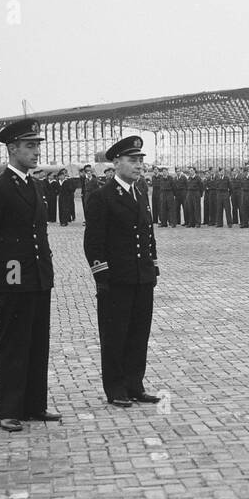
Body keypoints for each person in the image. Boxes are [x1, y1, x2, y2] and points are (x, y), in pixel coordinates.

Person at [0, 118, 59, 432]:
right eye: (30, 146)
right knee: (13, 344)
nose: (36, 152)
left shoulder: (34, 185)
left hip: (38, 275)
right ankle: (9, 409)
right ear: (12, 148)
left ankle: (34, 406)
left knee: (37, 342)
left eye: (37, 146)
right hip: (13, 277)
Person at [83, 135, 161, 408]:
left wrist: (152, 265)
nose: (139, 165)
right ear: (116, 162)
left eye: (141, 160)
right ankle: (116, 388)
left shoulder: (139, 193)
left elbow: (147, 234)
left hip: (141, 277)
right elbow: (93, 243)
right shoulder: (101, 197)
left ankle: (134, 385)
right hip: (117, 279)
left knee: (139, 334)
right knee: (115, 335)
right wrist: (102, 276)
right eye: (133, 160)